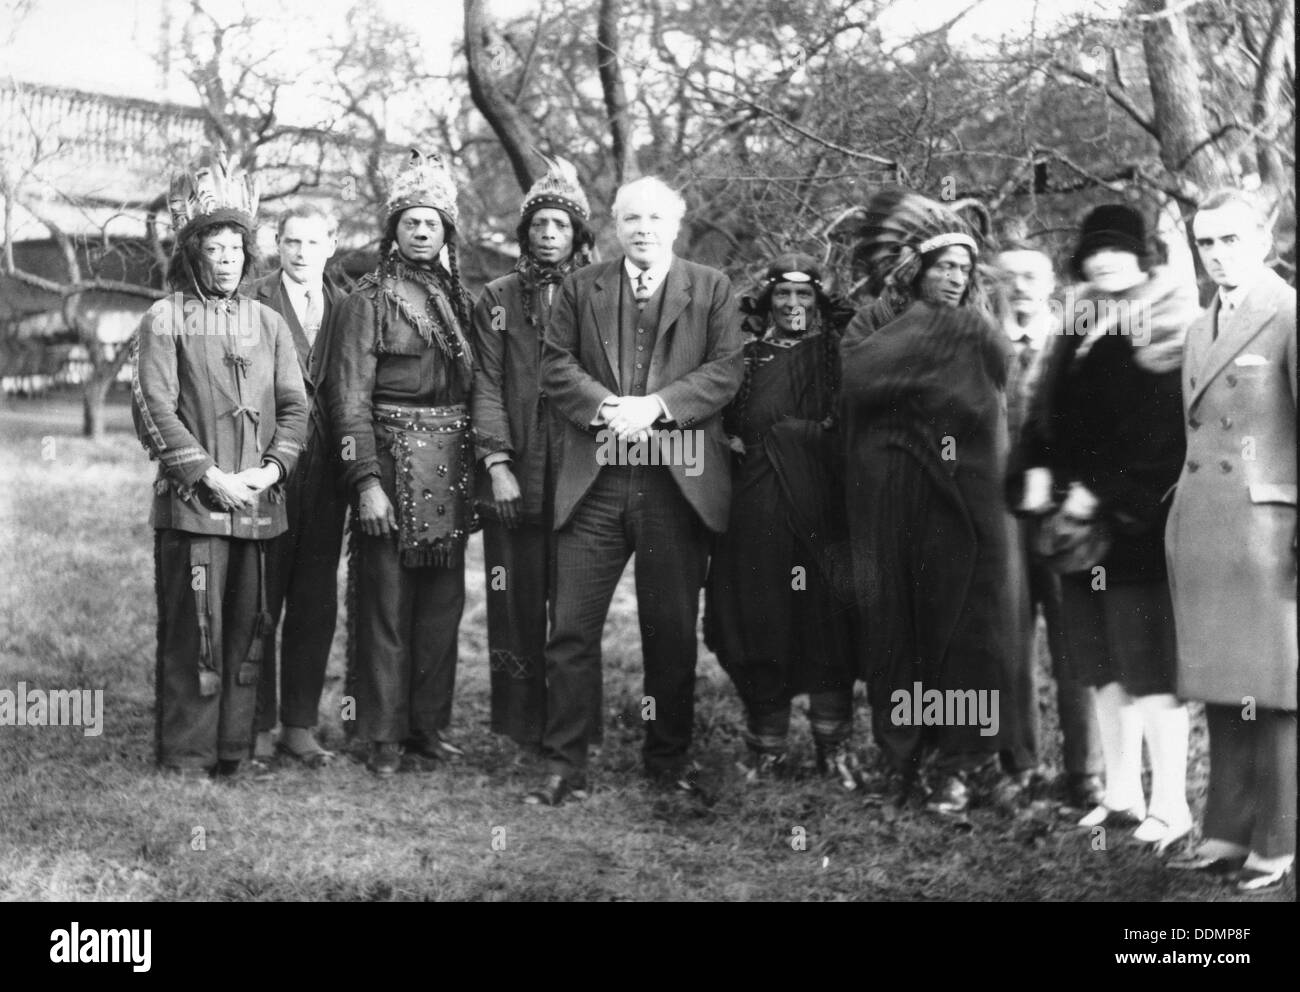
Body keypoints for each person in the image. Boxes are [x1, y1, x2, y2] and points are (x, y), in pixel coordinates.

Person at [528, 176, 744, 804]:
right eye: (630, 219)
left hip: (675, 486)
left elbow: (725, 371)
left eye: (654, 218)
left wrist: (654, 406)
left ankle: (667, 759)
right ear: (614, 227)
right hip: (593, 482)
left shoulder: (712, 288)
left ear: (676, 225)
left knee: (669, 630)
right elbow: (554, 364)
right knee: (570, 630)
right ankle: (565, 762)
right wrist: (605, 408)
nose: (642, 229)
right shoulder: (581, 285)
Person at [1014, 203, 1198, 851]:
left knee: (1148, 669)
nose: (1105, 260)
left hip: (1135, 525)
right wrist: (1036, 473)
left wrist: (1099, 494)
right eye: (1095, 250)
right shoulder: (1076, 316)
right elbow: (1045, 413)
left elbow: (1161, 435)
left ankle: (1171, 804)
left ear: (1144, 253)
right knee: (1101, 667)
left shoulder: (1171, 321)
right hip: (1075, 524)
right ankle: (1122, 795)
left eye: (1119, 249)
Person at [840, 187, 1016, 817]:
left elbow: (986, 396)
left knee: (962, 628)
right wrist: (929, 331)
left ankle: (962, 761)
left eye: (964, 269)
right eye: (943, 265)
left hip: (959, 498)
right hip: (889, 500)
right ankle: (902, 755)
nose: (955, 277)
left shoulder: (976, 327)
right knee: (895, 627)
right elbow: (859, 382)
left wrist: (948, 337)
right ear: (915, 268)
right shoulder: (874, 322)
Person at [132, 148, 307, 779]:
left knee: (249, 628)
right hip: (194, 508)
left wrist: (266, 474)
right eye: (215, 247)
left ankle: (235, 750)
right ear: (193, 253)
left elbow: (296, 408)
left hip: (260, 506)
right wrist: (209, 476)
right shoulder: (165, 318)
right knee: (194, 632)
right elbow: (154, 408)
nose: (228, 259)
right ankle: (186, 755)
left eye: (237, 248)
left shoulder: (269, 324)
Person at [323, 150, 476, 778]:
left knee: (441, 606)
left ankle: (425, 728)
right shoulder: (367, 299)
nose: (421, 231)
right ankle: (381, 736)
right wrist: (365, 483)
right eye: (411, 221)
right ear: (394, 230)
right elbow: (347, 398)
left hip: (450, 465)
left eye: (432, 223)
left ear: (446, 233)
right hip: (389, 460)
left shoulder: (460, 298)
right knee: (384, 604)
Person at [1165, 188, 1296, 892]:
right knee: (1225, 687)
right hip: (1206, 530)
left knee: (1274, 693)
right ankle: (1226, 831)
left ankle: (1275, 842)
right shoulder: (1198, 325)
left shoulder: (1289, 313)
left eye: (1230, 240)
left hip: (1268, 534)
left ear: (1263, 236)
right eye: (1206, 242)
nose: (1217, 254)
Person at [704, 252, 861, 788]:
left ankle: (832, 748)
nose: (793, 305)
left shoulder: (840, 355)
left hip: (823, 509)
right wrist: (729, 440)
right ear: (767, 301)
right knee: (758, 615)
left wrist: (799, 441)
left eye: (804, 295)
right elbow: (715, 420)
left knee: (830, 621)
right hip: (756, 508)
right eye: (783, 295)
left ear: (818, 301)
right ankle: (765, 746)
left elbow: (854, 427)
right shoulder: (742, 358)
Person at [470, 152, 596, 753]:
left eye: (561, 226)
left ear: (578, 235)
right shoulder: (496, 297)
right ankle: (521, 724)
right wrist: (496, 464)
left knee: (573, 609)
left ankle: (571, 729)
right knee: (513, 598)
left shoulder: (602, 295)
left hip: (581, 474)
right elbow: (486, 383)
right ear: (525, 232)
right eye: (540, 225)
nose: (549, 236)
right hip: (516, 472)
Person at [998, 245, 1104, 809]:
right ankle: (1019, 762)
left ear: (1052, 284)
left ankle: (1084, 770)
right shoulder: (983, 346)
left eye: (1032, 275)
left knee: (1074, 641)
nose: (1020, 286)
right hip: (1000, 519)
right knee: (1010, 639)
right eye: (1009, 276)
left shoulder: (1076, 345)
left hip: (1062, 516)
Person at [249, 204, 346, 768]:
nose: (302, 252)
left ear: (331, 244)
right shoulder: (254, 299)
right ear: (277, 244)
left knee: (315, 599)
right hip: (267, 469)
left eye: (313, 242)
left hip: (329, 474)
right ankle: (257, 722)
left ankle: (300, 725)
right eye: (291, 242)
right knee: (263, 598)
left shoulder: (348, 305)